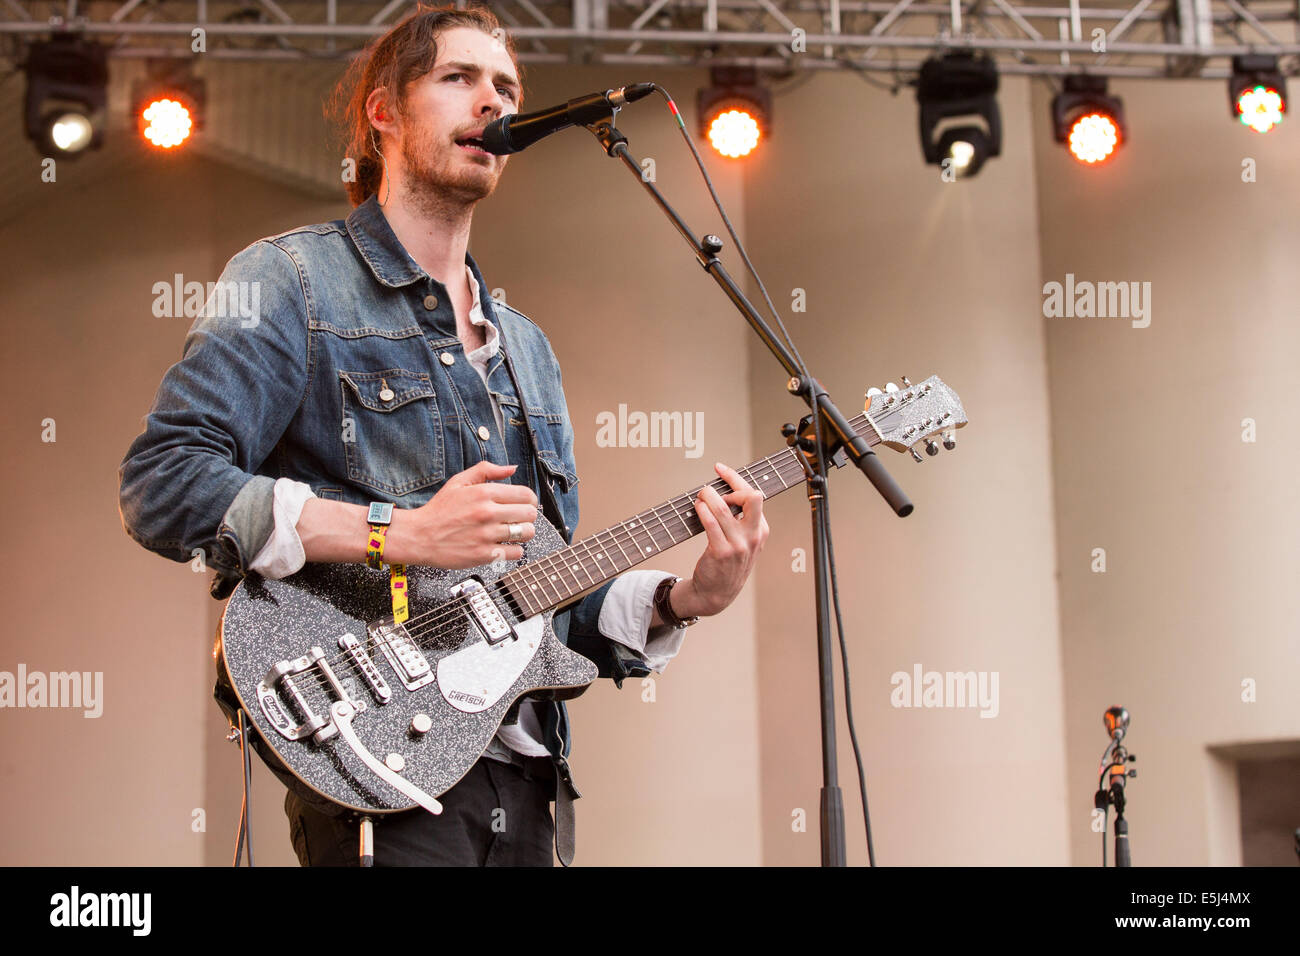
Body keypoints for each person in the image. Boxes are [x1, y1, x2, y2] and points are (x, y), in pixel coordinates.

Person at [118, 2, 768, 867]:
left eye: (505, 85)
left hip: (530, 780)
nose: (492, 103)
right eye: (458, 79)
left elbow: (534, 593)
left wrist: (687, 598)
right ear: (383, 113)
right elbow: (163, 484)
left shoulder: (526, 348)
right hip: (377, 772)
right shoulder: (291, 282)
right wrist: (396, 533)